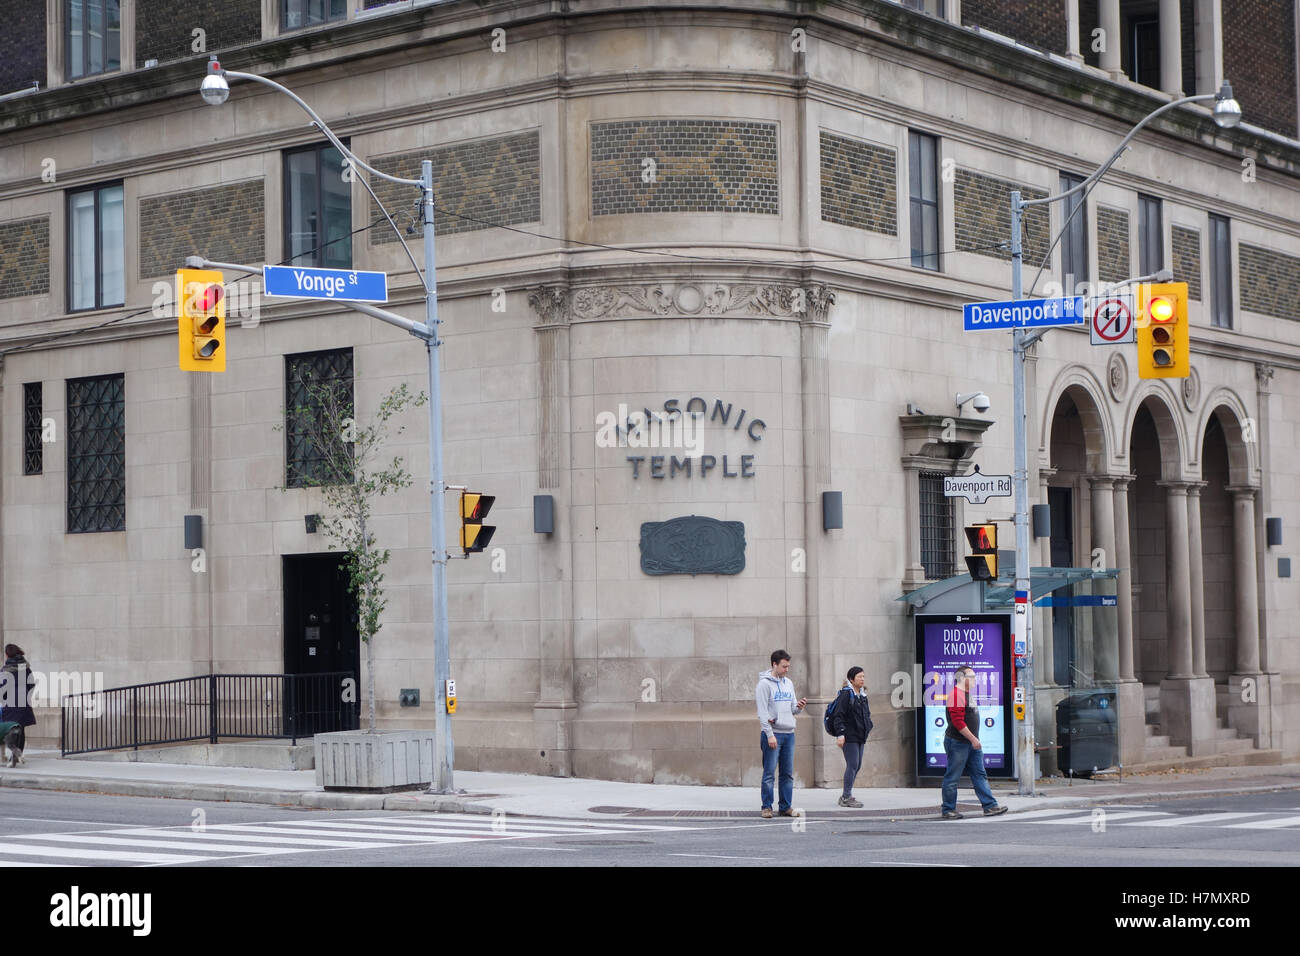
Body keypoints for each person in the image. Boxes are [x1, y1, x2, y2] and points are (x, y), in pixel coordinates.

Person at [940, 664, 1007, 819]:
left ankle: (990, 806)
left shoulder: (966, 694)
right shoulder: (956, 695)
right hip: (958, 743)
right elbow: (957, 722)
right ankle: (948, 809)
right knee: (953, 776)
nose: (975, 679)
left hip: (969, 743)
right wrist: (973, 739)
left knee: (979, 774)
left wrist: (973, 740)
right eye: (972, 677)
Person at [755, 649, 806, 818]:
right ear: (774, 664)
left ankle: (785, 806)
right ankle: (766, 807)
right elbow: (762, 713)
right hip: (773, 733)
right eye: (784, 666)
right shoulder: (764, 684)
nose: (787, 669)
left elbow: (792, 709)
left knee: (787, 774)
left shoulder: (788, 683)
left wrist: (798, 706)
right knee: (769, 772)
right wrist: (769, 734)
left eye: (788, 666)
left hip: (789, 733)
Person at [831, 666, 874, 808]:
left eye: (863, 676)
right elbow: (838, 716)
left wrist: (869, 726)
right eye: (859, 677)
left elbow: (866, 714)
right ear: (851, 679)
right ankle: (846, 796)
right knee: (853, 764)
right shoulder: (846, 694)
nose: (862, 679)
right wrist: (840, 734)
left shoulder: (862, 694)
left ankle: (846, 794)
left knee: (858, 765)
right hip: (849, 736)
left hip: (860, 735)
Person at [1, 644, 37, 762]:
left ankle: (14, 753)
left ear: (7, 654)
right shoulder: (25, 668)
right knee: (21, 728)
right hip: (23, 702)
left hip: (11, 702)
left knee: (11, 728)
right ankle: (17, 754)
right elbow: (31, 683)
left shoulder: (6, 669)